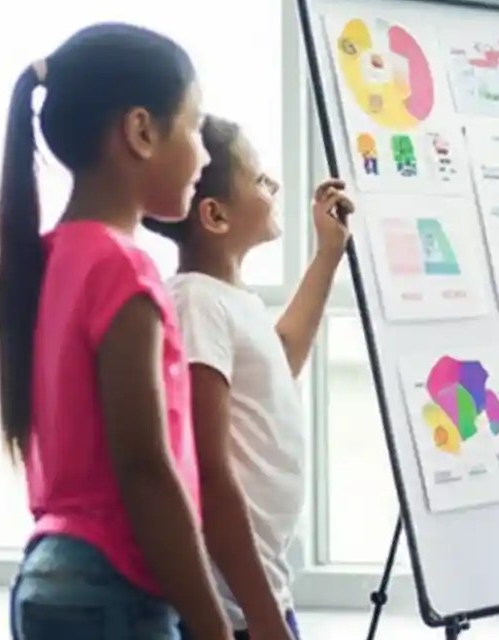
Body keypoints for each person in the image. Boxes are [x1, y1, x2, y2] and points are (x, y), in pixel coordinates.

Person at [0, 23, 230, 639]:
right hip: (112, 590)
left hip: (46, 577)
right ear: (141, 131)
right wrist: (212, 624)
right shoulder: (123, 266)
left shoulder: (47, 257)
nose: (204, 154)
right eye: (195, 125)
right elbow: (145, 467)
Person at [143, 116, 352, 640]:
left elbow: (282, 357)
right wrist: (262, 618)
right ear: (214, 214)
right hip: (234, 610)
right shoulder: (196, 303)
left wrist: (328, 253)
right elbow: (209, 475)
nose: (274, 185)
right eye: (259, 179)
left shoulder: (229, 301)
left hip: (259, 598)